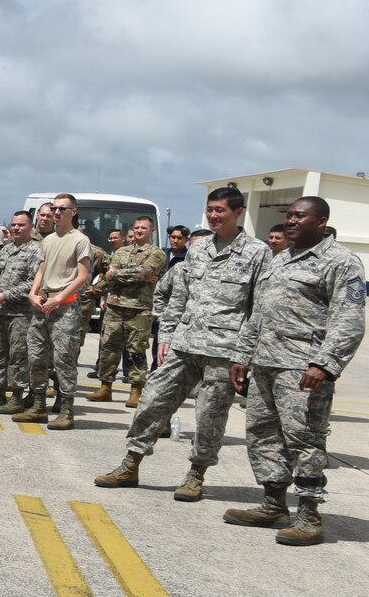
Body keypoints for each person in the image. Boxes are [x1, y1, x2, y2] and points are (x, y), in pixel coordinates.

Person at [95, 186, 267, 498]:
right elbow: (179, 297)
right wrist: (167, 336)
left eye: (221, 211)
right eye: (210, 209)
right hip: (184, 345)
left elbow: (258, 310)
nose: (214, 216)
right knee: (152, 401)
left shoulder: (257, 253)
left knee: (209, 416)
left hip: (223, 350)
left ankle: (196, 474)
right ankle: (131, 463)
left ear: (238, 212)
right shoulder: (197, 250)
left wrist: (244, 354)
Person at [225, 197, 365, 544]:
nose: (290, 221)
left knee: (304, 438)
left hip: (302, 368)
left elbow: (349, 319)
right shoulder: (280, 259)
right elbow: (258, 312)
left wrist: (325, 364)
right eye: (288, 215)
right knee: (262, 433)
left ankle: (309, 514)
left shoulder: (341, 262)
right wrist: (242, 355)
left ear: (321, 221)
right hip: (264, 363)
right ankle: (273, 503)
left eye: (299, 216)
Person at [11, 193, 95, 430]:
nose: (57, 213)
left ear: (73, 212)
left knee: (63, 359)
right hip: (42, 304)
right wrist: (33, 293)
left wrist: (58, 299)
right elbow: (41, 269)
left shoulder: (79, 240)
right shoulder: (48, 241)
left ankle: (67, 410)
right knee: (36, 356)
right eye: (55, 208)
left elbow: (82, 276)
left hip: (65, 305)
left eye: (62, 209)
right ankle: (38, 405)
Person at [88, 216, 166, 408]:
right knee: (108, 349)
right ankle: (105, 387)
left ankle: (136, 391)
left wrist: (117, 273)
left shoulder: (156, 254)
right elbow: (113, 278)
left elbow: (144, 273)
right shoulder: (120, 252)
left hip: (139, 309)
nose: (139, 231)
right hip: (115, 306)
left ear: (152, 231)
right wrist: (97, 289)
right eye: (137, 227)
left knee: (137, 351)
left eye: (144, 228)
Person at [0, 210, 40, 410]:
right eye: (14, 225)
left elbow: (32, 282)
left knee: (17, 356)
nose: (16, 228)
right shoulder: (6, 250)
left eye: (21, 225)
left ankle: (17, 397)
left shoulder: (36, 251)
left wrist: (7, 295)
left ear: (31, 227)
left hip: (20, 314)